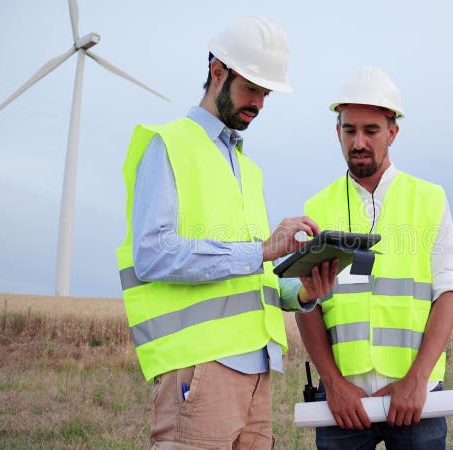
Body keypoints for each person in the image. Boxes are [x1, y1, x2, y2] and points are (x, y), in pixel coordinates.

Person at [115, 16, 337, 449]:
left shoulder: (247, 169)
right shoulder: (168, 144)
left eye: (266, 93)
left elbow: (255, 275)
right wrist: (260, 249)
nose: (259, 102)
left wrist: (304, 291)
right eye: (251, 88)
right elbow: (152, 254)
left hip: (258, 372)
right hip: (200, 370)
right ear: (218, 71)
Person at [294, 66, 453, 450]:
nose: (358, 142)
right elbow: (307, 306)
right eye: (349, 130)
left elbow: (449, 293)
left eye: (371, 131)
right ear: (336, 131)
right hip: (343, 403)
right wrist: (335, 386)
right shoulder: (316, 208)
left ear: (393, 132)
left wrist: (417, 379)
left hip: (415, 398)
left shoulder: (430, 199)